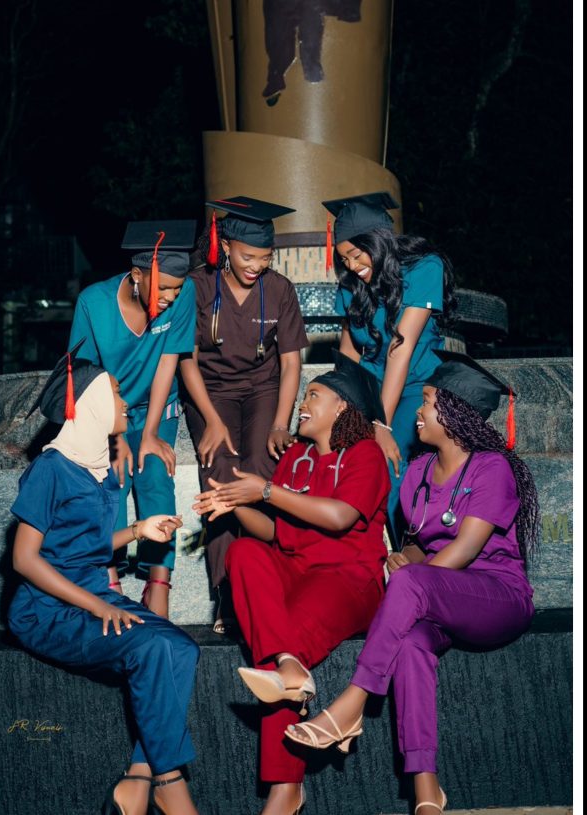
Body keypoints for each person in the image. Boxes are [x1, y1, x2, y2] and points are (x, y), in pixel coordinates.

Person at [285, 351, 534, 815]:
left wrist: (413, 574)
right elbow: (420, 543)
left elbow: (464, 550)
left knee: (409, 584)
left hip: (497, 597)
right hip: (439, 597)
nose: (417, 412)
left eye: (427, 402)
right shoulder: (418, 471)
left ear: (454, 413)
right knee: (412, 645)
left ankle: (352, 704)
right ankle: (427, 790)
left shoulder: (491, 469)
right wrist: (404, 559)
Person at [192, 352, 390, 815]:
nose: (303, 403)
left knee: (285, 645)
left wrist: (264, 490)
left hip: (347, 580)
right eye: (304, 395)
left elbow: (340, 518)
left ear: (342, 407)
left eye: (314, 395)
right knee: (243, 552)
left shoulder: (366, 455)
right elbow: (274, 531)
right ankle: (287, 663)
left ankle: (285, 789)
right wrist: (235, 504)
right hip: (292, 570)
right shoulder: (296, 458)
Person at [9, 346, 201, 815]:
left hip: (91, 595)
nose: (124, 401)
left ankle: (139, 778)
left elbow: (85, 547)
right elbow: (24, 560)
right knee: (151, 647)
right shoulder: (51, 468)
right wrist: (100, 606)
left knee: (182, 648)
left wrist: (138, 530)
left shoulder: (99, 469)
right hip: (46, 611)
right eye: (115, 393)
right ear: (90, 401)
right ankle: (169, 782)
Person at [182, 196, 308, 634]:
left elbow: (290, 364)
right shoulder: (198, 286)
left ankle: (268, 583)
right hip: (210, 391)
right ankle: (228, 592)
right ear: (226, 247)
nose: (257, 265)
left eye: (265, 257)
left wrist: (280, 423)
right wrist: (211, 419)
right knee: (220, 474)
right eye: (248, 256)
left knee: (260, 468)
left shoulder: (279, 289)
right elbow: (186, 359)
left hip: (262, 389)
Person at [69, 221, 198, 618]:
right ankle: (109, 579)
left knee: (157, 474)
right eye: (163, 289)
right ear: (137, 276)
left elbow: (169, 360)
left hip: (158, 406)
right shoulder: (94, 302)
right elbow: (86, 376)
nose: (171, 297)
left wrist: (152, 433)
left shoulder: (183, 294)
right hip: (105, 409)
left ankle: (159, 582)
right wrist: (116, 435)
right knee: (113, 479)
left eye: (176, 288)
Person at [324, 191, 457, 541]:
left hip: (416, 386)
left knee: (388, 463)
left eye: (357, 254)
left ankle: (405, 557)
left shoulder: (425, 267)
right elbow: (349, 350)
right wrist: (338, 401)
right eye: (344, 258)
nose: (351, 265)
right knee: (340, 461)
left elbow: (401, 347)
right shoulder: (352, 284)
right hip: (368, 386)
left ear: (379, 241)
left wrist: (380, 423)